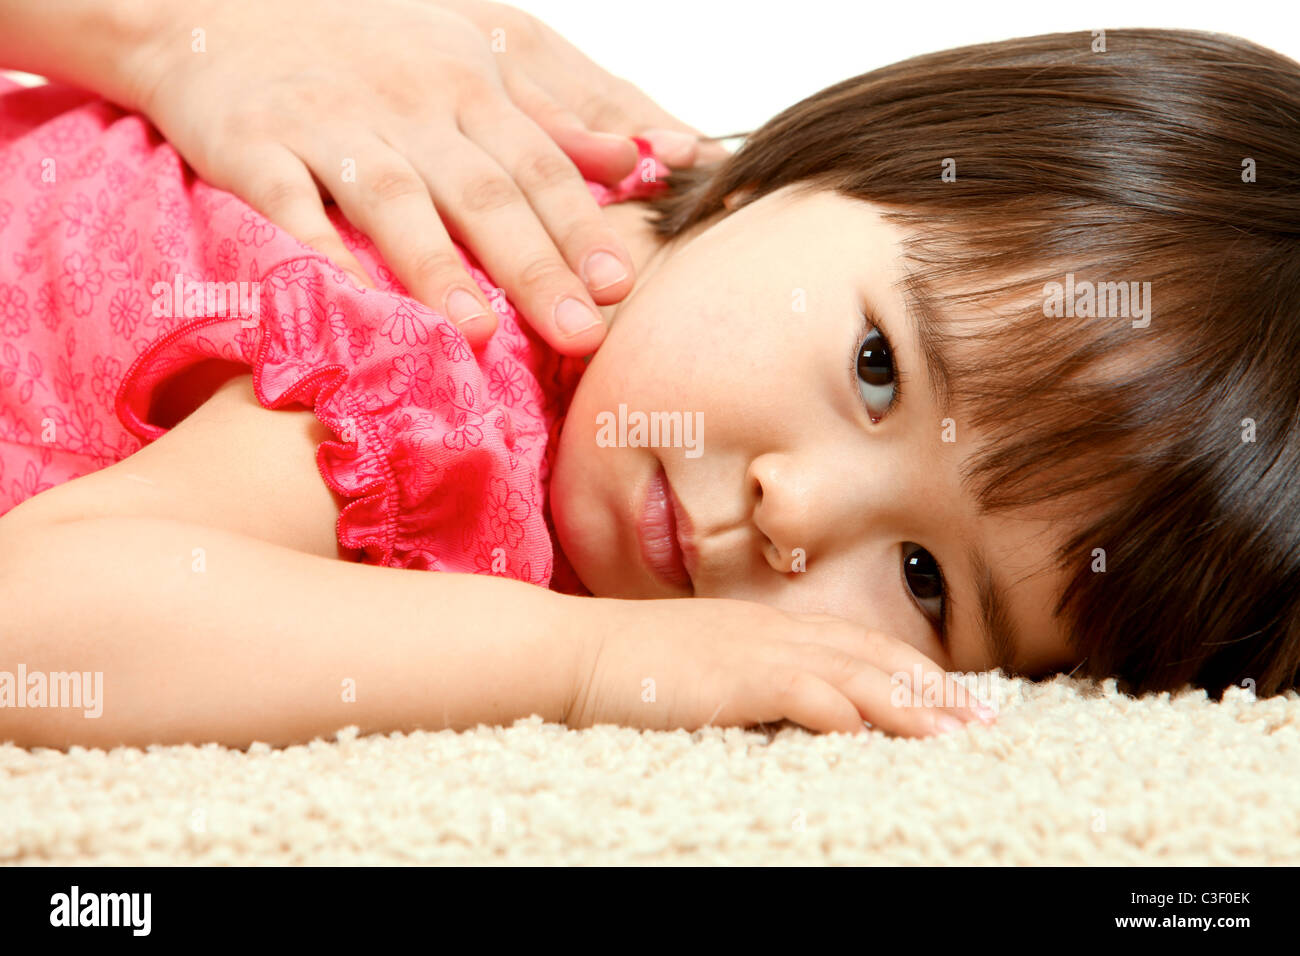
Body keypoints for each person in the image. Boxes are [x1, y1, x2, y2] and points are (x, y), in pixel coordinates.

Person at [2, 21, 1296, 751]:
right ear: (771, 171)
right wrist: (594, 660)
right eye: (877, 367)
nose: (792, 515)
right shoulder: (440, 361)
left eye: (925, 581)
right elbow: (32, 628)